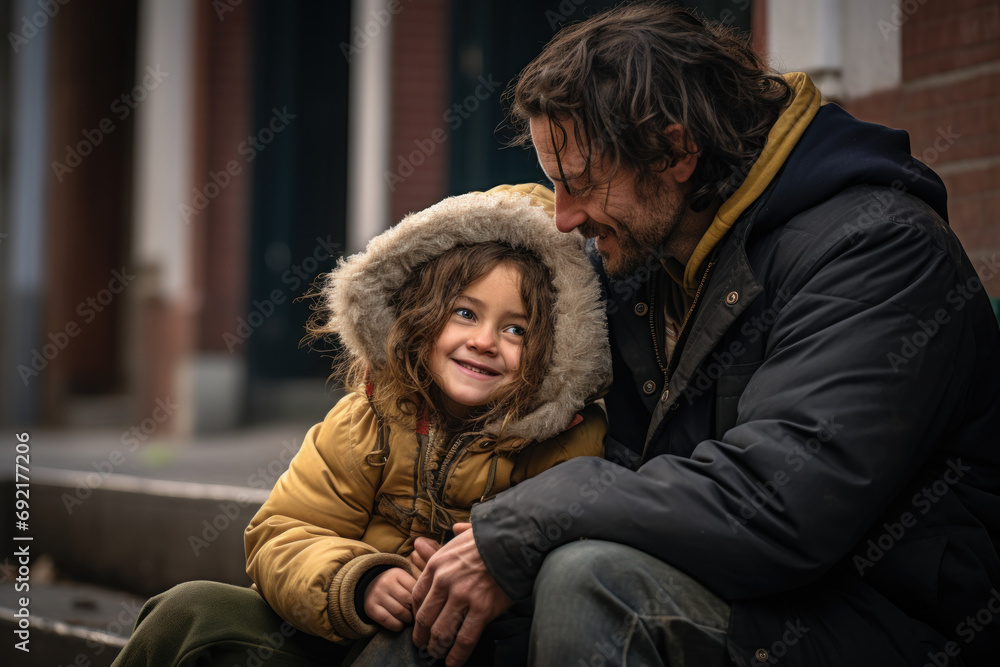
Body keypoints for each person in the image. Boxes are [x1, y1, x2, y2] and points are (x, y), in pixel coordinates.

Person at [406, 5, 1000, 667]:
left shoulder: (879, 250)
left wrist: (535, 516)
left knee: (590, 583)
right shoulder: (647, 254)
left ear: (676, 151)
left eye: (580, 183)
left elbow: (778, 504)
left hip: (880, 621)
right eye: (556, 185)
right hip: (730, 586)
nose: (565, 216)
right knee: (430, 605)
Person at [110, 184, 610, 666]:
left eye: (516, 329)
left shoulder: (566, 443)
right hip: (340, 629)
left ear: (556, 351)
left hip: (466, 644)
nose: (484, 341)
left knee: (418, 640)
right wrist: (361, 582)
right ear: (422, 315)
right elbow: (282, 533)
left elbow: (568, 572)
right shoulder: (367, 419)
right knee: (186, 612)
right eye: (464, 313)